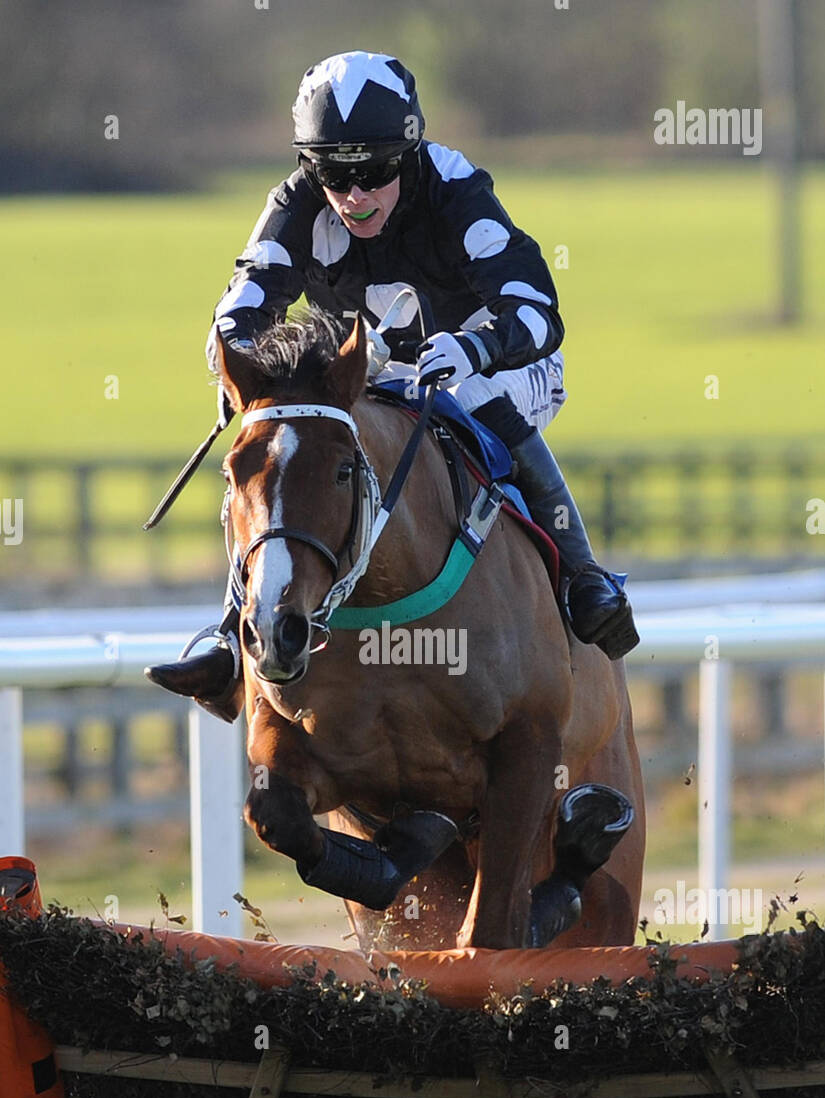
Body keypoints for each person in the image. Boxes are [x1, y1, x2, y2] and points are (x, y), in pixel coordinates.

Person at [147, 50, 638, 720]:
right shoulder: (293, 203)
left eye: (374, 172)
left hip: (495, 360)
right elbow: (242, 303)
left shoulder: (453, 186)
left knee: (470, 398)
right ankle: (235, 629)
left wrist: (476, 345)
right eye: (332, 172)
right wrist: (240, 361)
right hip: (373, 369)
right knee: (280, 441)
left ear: (406, 157)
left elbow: (534, 308)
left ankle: (583, 578)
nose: (353, 195)